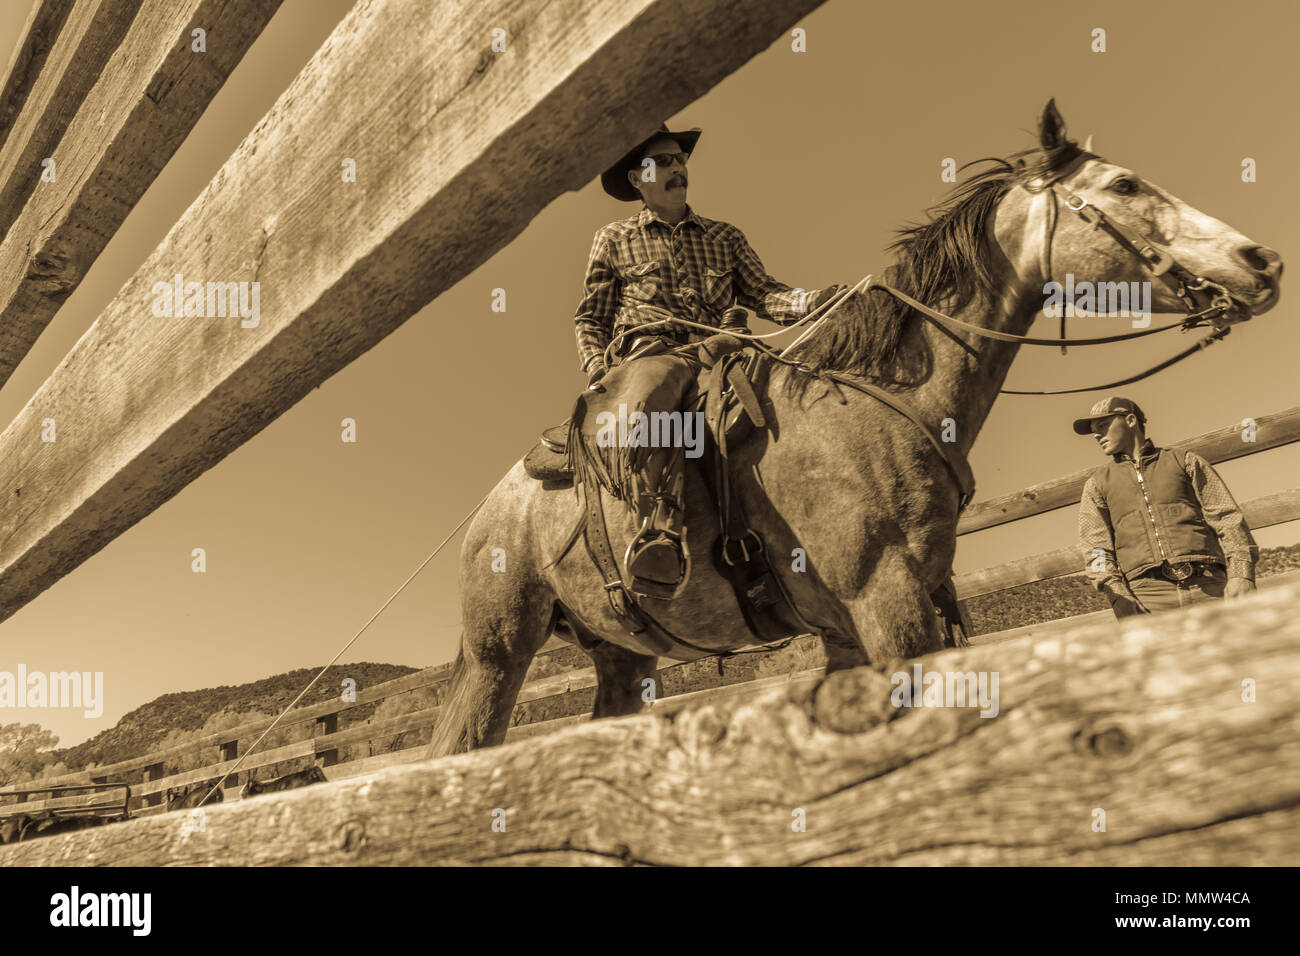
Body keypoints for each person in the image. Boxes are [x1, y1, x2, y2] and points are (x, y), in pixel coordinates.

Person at [571, 125, 844, 599]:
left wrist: (816, 302)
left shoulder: (725, 236)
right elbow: (590, 317)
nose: (679, 167)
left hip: (724, 349)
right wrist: (599, 370)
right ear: (639, 178)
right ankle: (659, 526)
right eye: (665, 161)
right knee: (654, 392)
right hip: (654, 353)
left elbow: (765, 294)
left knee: (805, 386)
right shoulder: (612, 239)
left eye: (681, 159)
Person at [1073, 396, 1258, 618]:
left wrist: (1241, 574)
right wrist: (1117, 595)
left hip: (1209, 584)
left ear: (1130, 420)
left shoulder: (1185, 461)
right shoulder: (1097, 485)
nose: (1096, 435)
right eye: (1094, 430)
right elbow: (1097, 549)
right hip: (1147, 598)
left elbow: (1226, 517)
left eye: (1103, 425)